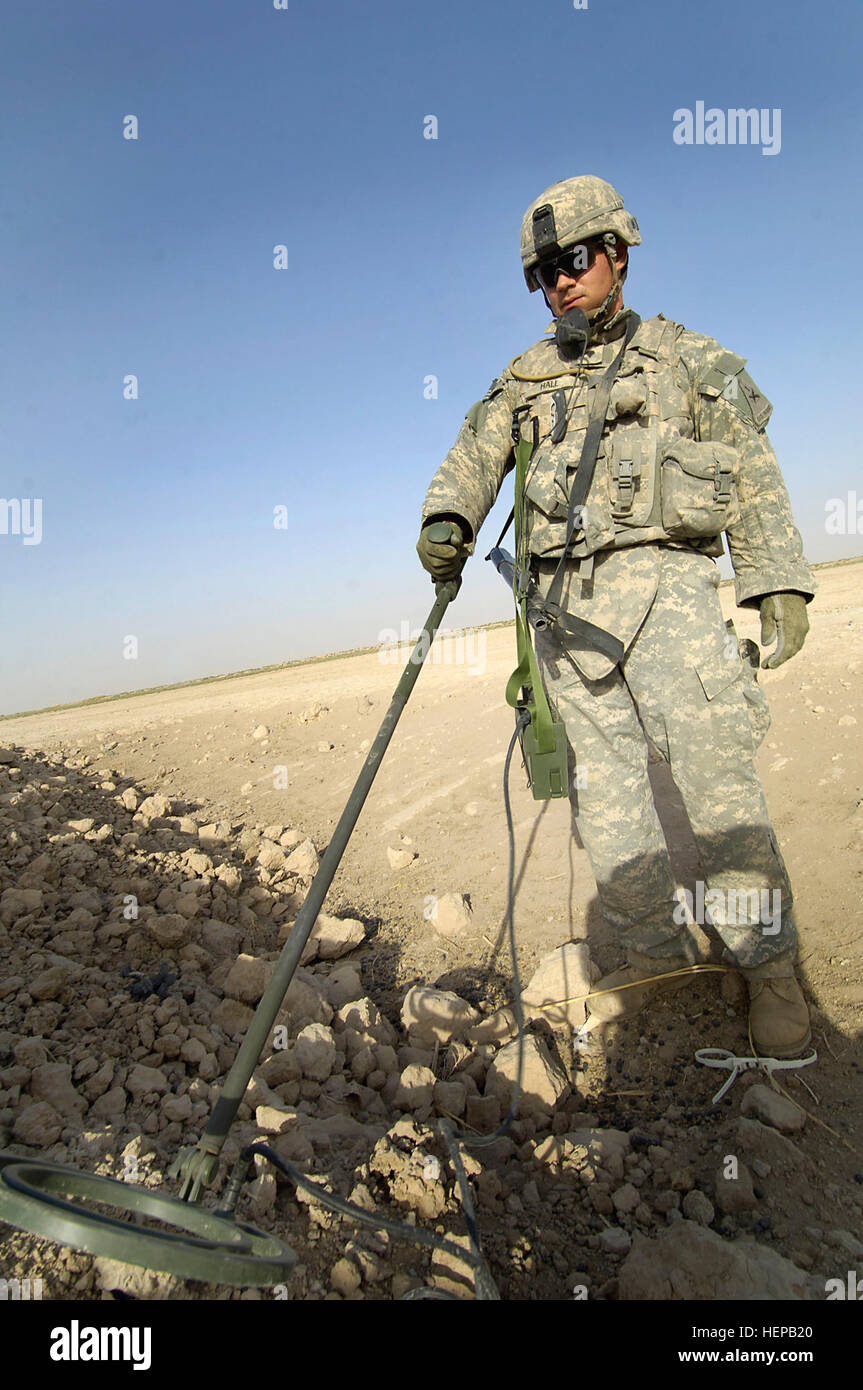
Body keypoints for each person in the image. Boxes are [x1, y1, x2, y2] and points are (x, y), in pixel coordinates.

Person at [416, 175, 815, 1059]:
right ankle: (650, 953)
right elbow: (473, 453)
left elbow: (749, 467)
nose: (561, 281)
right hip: (567, 616)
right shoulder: (524, 380)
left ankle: (768, 967)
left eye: (576, 260)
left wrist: (773, 577)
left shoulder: (687, 359)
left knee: (719, 797)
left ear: (617, 255)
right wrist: (447, 518)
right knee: (606, 804)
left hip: (668, 597)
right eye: (544, 273)